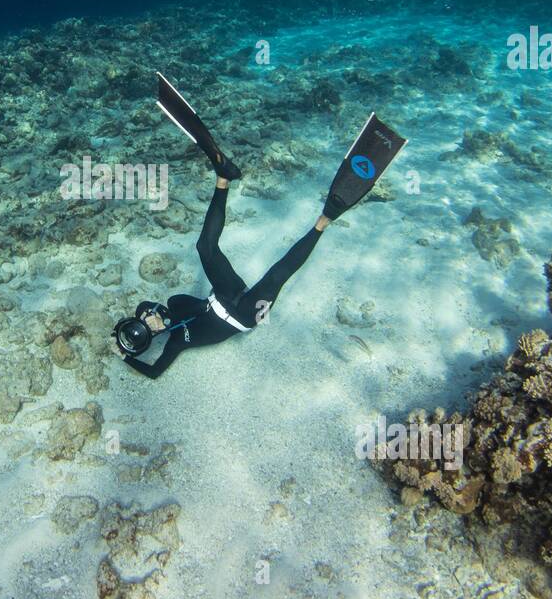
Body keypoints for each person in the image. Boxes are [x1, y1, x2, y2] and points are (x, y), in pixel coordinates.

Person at [113, 73, 406, 379]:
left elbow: (165, 306)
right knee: (279, 274)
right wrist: (125, 356)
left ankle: (223, 175)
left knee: (205, 248)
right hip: (246, 316)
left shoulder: (172, 306)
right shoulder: (175, 341)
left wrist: (150, 314)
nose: (150, 322)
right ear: (152, 338)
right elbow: (155, 372)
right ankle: (325, 220)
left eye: (144, 320)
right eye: (147, 330)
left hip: (225, 293)